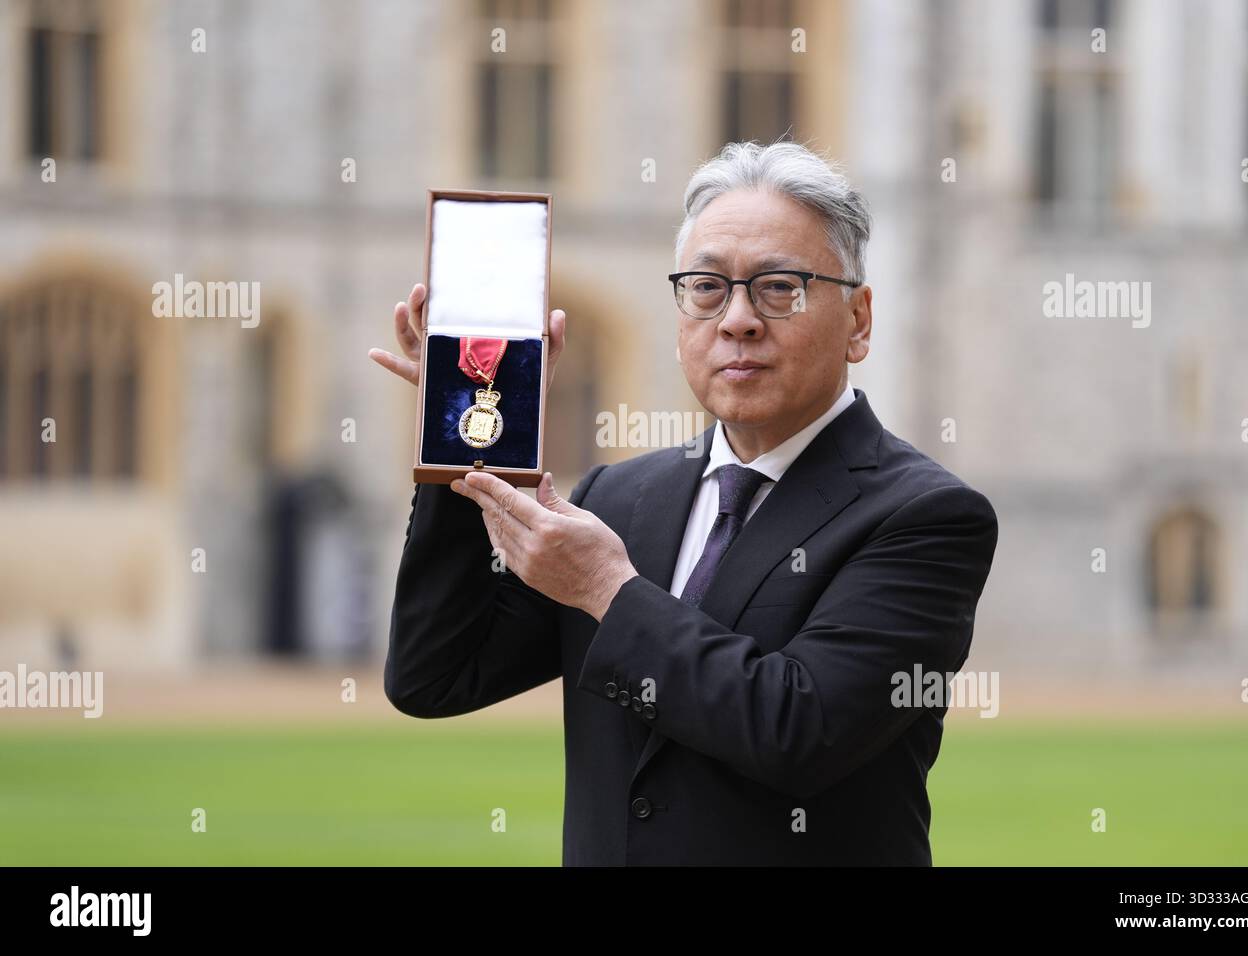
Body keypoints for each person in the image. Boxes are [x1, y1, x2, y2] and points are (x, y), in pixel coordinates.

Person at [368, 141, 998, 865]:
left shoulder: (926, 516)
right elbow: (434, 677)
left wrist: (609, 588)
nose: (737, 320)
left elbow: (798, 730)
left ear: (858, 320)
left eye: (779, 286)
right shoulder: (621, 499)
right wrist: (463, 431)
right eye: (707, 287)